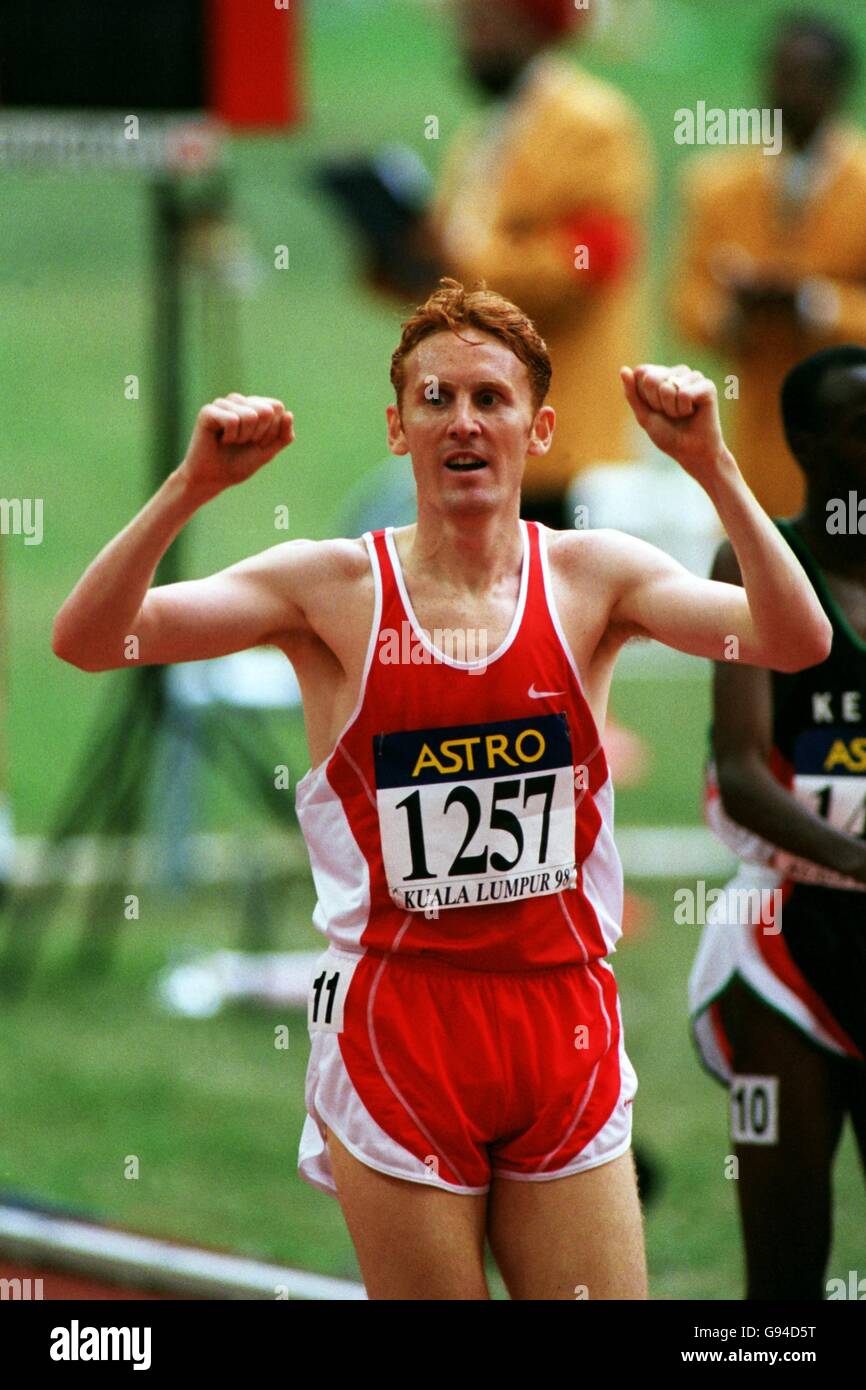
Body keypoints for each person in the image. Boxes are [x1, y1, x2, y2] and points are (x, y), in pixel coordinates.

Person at [52, 280, 831, 1300]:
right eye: (435, 399)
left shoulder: (592, 577)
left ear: (536, 427)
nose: (462, 421)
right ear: (398, 427)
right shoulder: (328, 588)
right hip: (399, 1027)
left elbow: (792, 637)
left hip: (561, 1019)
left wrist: (712, 467)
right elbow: (90, 639)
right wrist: (190, 489)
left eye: (489, 399)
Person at [690, 343, 866, 1301]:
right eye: (859, 426)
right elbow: (742, 771)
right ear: (804, 441)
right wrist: (856, 859)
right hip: (784, 943)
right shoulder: (757, 560)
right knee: (786, 1278)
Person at [673, 14, 866, 518]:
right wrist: (738, 310)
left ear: (837, 87)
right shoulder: (718, 184)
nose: (788, 92)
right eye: (779, 75)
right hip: (759, 439)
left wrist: (811, 304)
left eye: (806, 78)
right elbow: (687, 306)